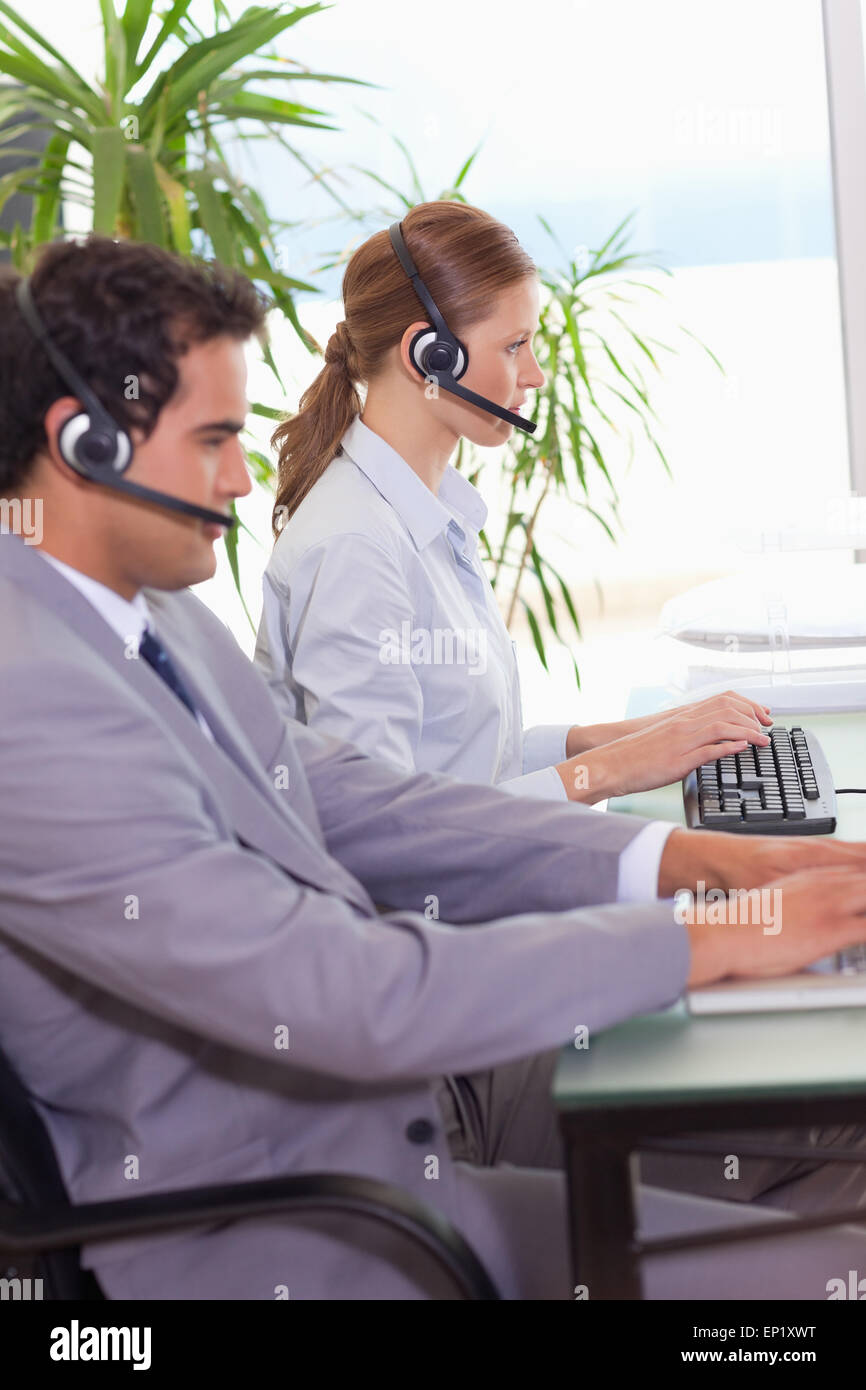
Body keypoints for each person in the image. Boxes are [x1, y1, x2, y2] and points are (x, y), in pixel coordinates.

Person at [3, 235, 866, 1302]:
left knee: (835, 1119)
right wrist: (708, 933)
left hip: (385, 1118)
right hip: (309, 1216)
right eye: (214, 438)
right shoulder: (31, 702)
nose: (242, 475)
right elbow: (339, 986)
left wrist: (695, 860)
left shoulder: (150, 613)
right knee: (836, 1268)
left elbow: (360, 800)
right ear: (82, 444)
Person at [255, 198, 773, 806]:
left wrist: (654, 735)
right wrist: (614, 770)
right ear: (430, 356)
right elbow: (382, 824)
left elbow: (464, 761)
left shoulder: (423, 511)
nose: (535, 374)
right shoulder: (356, 546)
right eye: (513, 346)